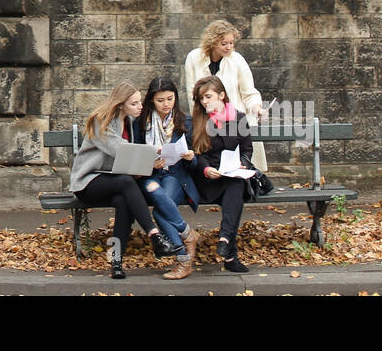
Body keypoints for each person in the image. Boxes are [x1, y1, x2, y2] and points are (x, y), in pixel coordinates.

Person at [69, 81, 185, 279]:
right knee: (126, 182)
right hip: (88, 181)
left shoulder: (129, 122)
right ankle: (155, 236)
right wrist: (156, 150)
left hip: (112, 180)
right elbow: (118, 149)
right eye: (134, 103)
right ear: (120, 104)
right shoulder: (101, 120)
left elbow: (127, 159)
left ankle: (116, 262)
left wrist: (149, 166)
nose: (140, 106)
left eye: (140, 102)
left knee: (124, 201)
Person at [132, 76, 202, 279]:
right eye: (160, 100)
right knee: (154, 189)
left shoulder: (185, 121)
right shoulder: (141, 123)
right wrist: (149, 163)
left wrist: (189, 157)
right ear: (152, 101)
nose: (166, 104)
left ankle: (182, 260)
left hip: (175, 174)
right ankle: (187, 234)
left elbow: (195, 164)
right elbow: (135, 156)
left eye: (170, 99)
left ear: (175, 98)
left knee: (162, 212)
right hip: (151, 174)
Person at [182, 19, 267, 171]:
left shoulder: (237, 60)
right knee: (210, 165)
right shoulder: (194, 58)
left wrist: (257, 108)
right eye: (224, 43)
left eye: (232, 43)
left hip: (234, 122)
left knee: (240, 167)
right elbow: (192, 95)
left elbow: (249, 92)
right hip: (207, 123)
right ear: (212, 42)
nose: (229, 47)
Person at [191, 75, 254, 273]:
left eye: (208, 96)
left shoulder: (239, 118)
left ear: (222, 95)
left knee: (236, 185)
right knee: (234, 191)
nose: (205, 102)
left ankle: (225, 240)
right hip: (208, 179)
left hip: (233, 175)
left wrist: (243, 165)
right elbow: (196, 154)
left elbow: (247, 150)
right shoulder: (198, 121)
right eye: (202, 99)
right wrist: (207, 169)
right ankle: (229, 253)